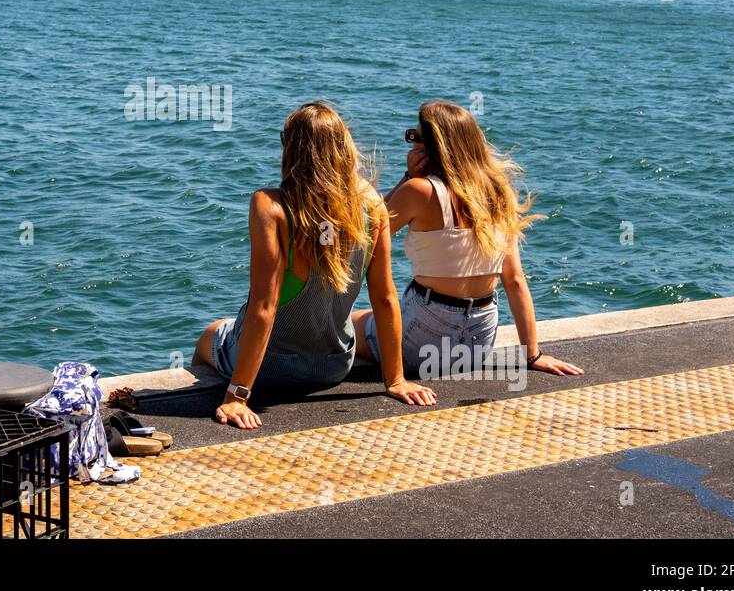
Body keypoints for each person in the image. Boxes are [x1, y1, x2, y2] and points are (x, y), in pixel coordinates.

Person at [194, 101, 435, 430]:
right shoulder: (372, 204)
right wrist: (395, 381)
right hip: (335, 367)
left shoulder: (270, 206)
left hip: (270, 371)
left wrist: (237, 396)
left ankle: (205, 395)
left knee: (210, 335)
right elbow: (385, 297)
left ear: (291, 149)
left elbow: (264, 307)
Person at [352, 100, 583, 379]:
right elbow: (515, 280)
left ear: (432, 146)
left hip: (420, 340)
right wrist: (533, 355)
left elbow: (366, 232)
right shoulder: (498, 194)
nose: (410, 144)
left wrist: (407, 177)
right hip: (477, 345)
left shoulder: (419, 191)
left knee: (348, 324)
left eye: (414, 137)